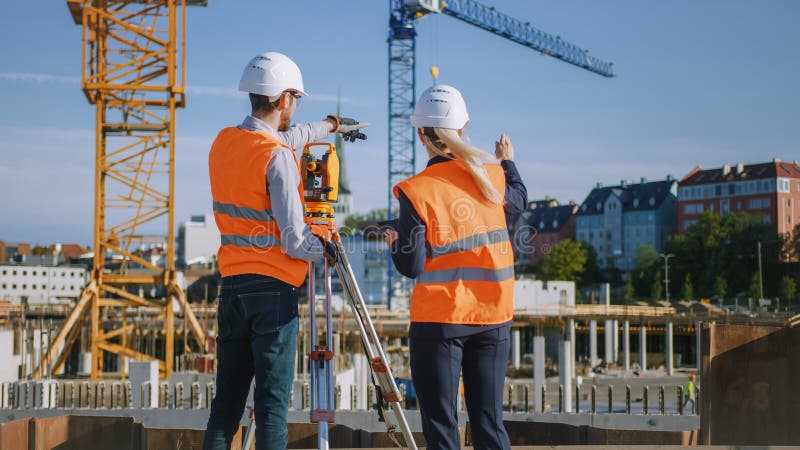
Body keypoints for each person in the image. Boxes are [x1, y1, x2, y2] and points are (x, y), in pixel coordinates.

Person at [203, 52, 366, 450]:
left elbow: (280, 141)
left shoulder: (225, 143)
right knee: (272, 405)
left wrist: (329, 127)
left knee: (226, 403)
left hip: (233, 288)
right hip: (272, 293)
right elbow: (295, 242)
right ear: (284, 99)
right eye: (295, 98)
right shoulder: (277, 158)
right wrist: (327, 249)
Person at [385, 84, 527, 449]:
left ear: (421, 134)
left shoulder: (417, 190)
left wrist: (395, 243)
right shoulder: (493, 177)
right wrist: (508, 161)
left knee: (442, 426)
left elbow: (411, 265)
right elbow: (519, 200)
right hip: (493, 317)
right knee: (489, 423)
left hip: (439, 321)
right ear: (462, 129)